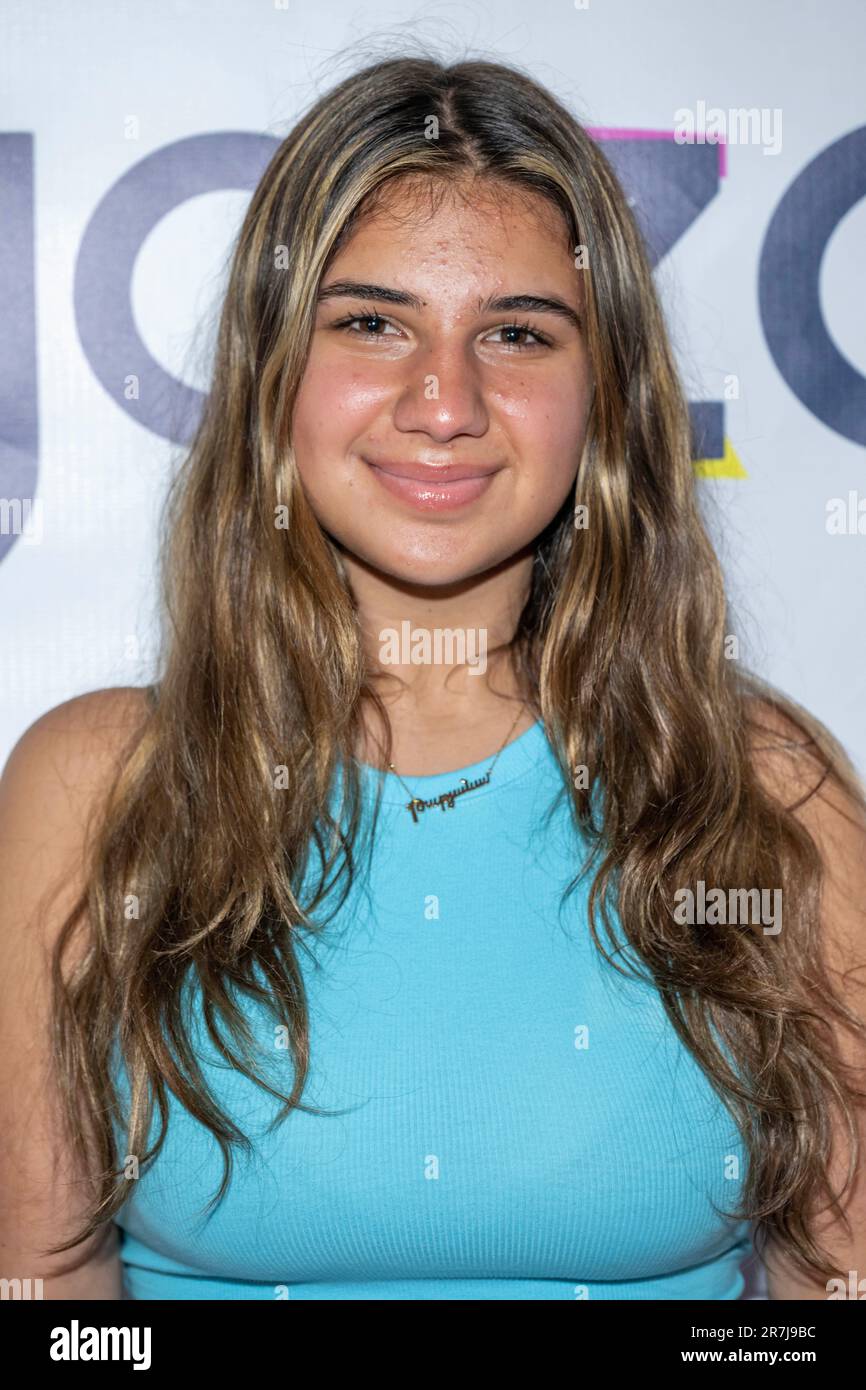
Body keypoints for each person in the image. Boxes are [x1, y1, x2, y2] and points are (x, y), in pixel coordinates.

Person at [2, 54, 865, 1302]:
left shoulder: (762, 795)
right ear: (271, 370)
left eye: (515, 333)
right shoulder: (94, 791)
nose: (443, 401)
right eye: (371, 323)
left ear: (604, 397)